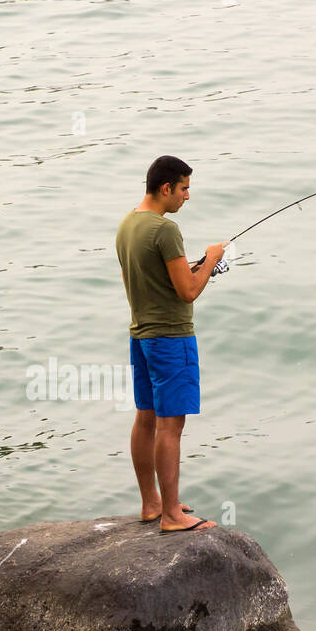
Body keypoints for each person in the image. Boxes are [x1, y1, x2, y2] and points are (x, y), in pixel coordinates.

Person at [115, 155, 228, 533]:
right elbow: (187, 291)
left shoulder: (128, 224)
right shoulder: (166, 230)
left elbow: (157, 281)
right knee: (170, 426)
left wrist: (194, 268)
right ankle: (172, 516)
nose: (187, 196)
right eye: (184, 188)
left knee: (145, 418)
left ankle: (153, 503)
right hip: (171, 338)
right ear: (166, 188)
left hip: (141, 335)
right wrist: (210, 261)